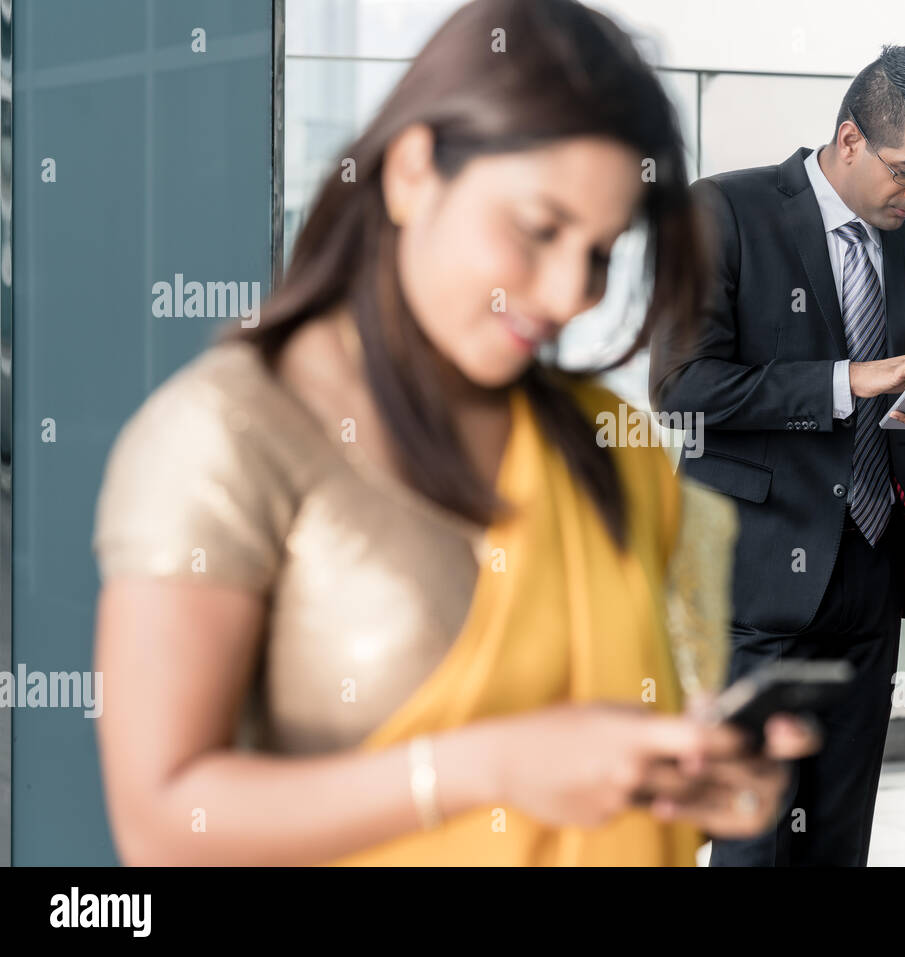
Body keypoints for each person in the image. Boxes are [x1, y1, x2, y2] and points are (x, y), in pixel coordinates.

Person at [91, 0, 817, 867]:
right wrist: (491, 767)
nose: (565, 293)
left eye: (599, 251)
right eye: (537, 229)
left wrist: (681, 774)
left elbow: (629, 743)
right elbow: (165, 825)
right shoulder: (226, 435)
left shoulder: (609, 441)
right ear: (411, 172)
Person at [651, 45, 905, 867]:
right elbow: (682, 386)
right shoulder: (724, 211)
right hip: (749, 589)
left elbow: (900, 424)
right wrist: (845, 379)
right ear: (850, 139)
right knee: (751, 843)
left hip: (868, 581)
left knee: (837, 844)